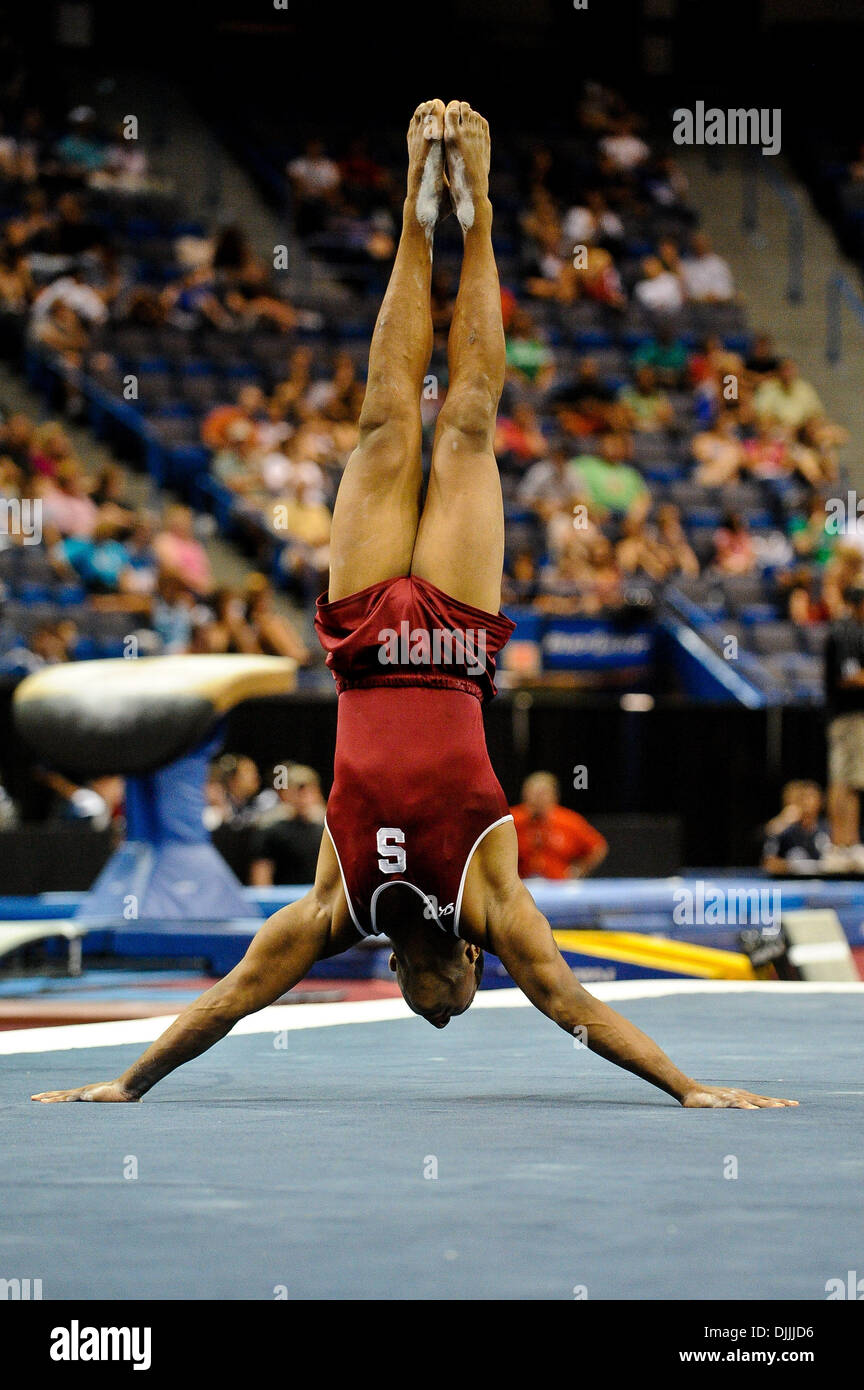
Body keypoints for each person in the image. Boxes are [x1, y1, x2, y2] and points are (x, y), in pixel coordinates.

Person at [32, 101, 795, 1112]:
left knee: (388, 423)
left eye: (424, 996)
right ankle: (471, 217)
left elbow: (231, 1001)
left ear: (392, 973)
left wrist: (129, 1082)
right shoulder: (490, 903)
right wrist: (688, 1087)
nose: (438, 998)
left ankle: (410, 214)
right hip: (449, 641)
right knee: (469, 425)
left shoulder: (335, 908)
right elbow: (572, 1001)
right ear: (475, 972)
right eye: (458, 997)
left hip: (361, 641)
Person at [824, 587, 864, 855]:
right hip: (848, 717)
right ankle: (841, 844)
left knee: (854, 781)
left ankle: (849, 843)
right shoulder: (845, 632)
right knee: (843, 781)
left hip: (854, 718)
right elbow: (850, 677)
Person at [511, 773, 607, 880]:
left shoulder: (569, 821)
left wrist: (578, 870)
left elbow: (598, 847)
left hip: (559, 887)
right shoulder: (511, 821)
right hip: (521, 886)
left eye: (542, 794)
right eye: (533, 793)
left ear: (555, 795)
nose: (537, 798)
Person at [249, 765, 326, 886]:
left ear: (317, 792)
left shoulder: (326, 832)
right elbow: (261, 882)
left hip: (316, 901)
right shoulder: (270, 832)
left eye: (309, 791)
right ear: (285, 793)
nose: (304, 798)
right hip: (283, 902)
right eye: (298, 791)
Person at [762, 781, 831, 874]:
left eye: (812, 797)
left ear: (820, 802)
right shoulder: (785, 830)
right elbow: (769, 864)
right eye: (803, 798)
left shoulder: (829, 829)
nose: (807, 802)